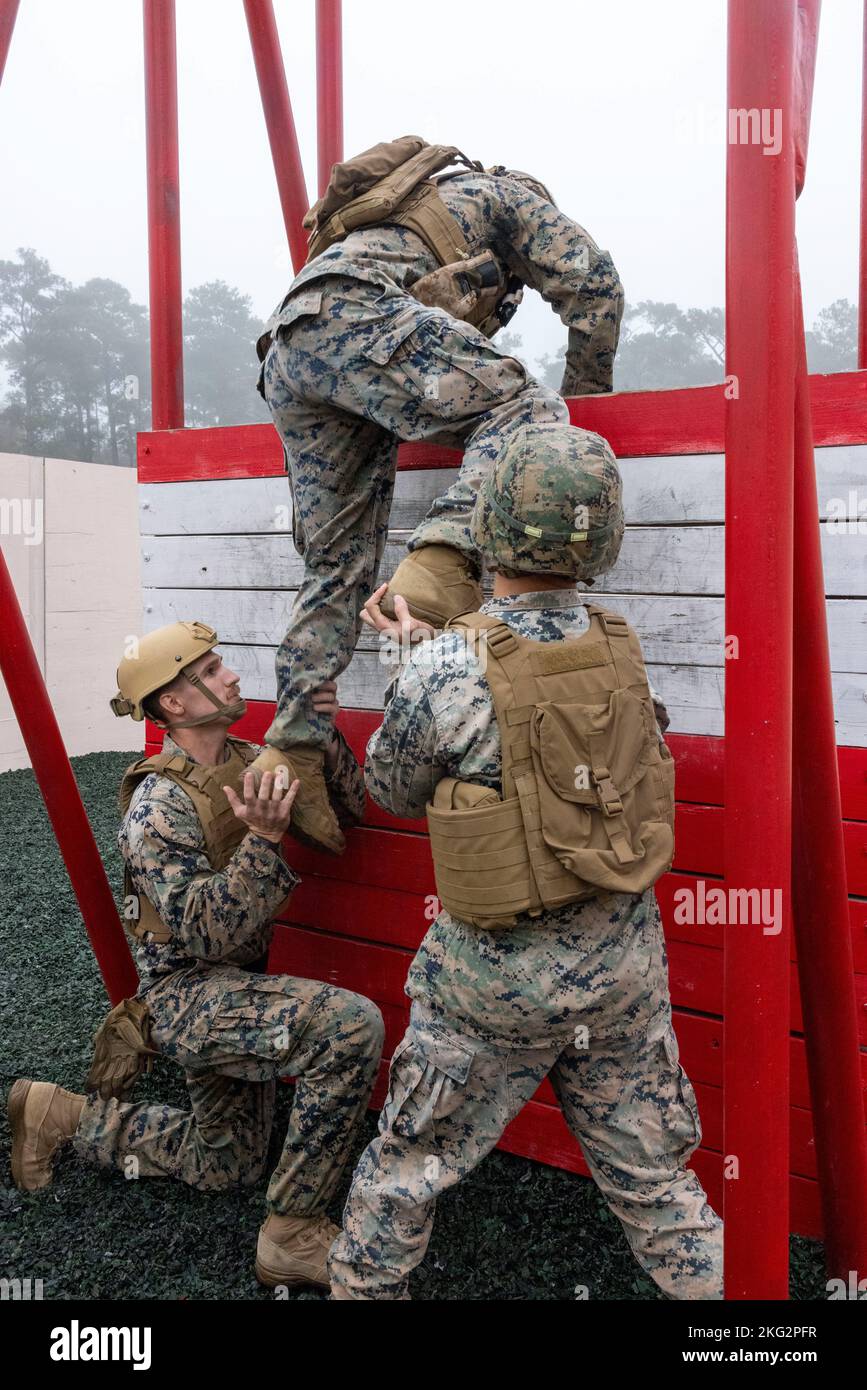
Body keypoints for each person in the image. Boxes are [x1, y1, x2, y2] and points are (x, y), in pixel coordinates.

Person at [326, 421, 724, 1300]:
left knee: (405, 1172)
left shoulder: (444, 663)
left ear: (490, 530)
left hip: (491, 989)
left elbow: (391, 785)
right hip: (621, 973)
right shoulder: (621, 646)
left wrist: (411, 656)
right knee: (659, 1187)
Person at [252, 136, 624, 855]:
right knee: (529, 410)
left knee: (336, 568)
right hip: (359, 318)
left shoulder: (398, 220)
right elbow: (595, 285)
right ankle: (438, 568)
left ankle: (292, 745)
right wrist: (587, 406)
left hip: (290, 349)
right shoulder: (512, 199)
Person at [7, 620, 384, 1291]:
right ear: (172, 704)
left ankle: (60, 1115)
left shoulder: (246, 762)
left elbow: (347, 816)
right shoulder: (156, 809)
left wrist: (320, 733)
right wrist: (263, 842)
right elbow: (206, 937)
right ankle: (292, 1233)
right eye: (209, 671)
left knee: (227, 1164)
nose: (232, 675)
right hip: (188, 998)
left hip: (238, 986)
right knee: (349, 1026)